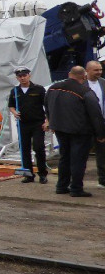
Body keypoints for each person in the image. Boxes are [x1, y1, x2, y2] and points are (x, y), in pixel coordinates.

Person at [45, 66, 105, 198]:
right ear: (83, 77)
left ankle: (61, 186)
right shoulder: (85, 91)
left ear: (69, 74)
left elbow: (47, 106)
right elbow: (95, 114)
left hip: (60, 129)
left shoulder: (53, 88)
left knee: (64, 157)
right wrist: (100, 134)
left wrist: (51, 122)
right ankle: (76, 188)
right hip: (79, 130)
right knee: (78, 160)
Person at [6, 66, 49, 184]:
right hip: (23, 124)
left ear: (29, 75)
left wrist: (47, 121)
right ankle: (28, 175)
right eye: (20, 76)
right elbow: (11, 105)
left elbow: (47, 105)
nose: (22, 78)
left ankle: (42, 174)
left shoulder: (39, 89)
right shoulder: (15, 91)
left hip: (37, 123)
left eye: (24, 75)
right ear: (17, 78)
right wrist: (15, 112)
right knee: (24, 149)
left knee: (39, 147)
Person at [84, 60, 105, 188]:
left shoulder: (103, 83)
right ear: (87, 70)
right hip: (85, 125)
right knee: (81, 153)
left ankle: (102, 179)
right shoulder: (81, 84)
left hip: (101, 123)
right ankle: (75, 181)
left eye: (100, 70)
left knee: (102, 153)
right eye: (96, 70)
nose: (99, 72)